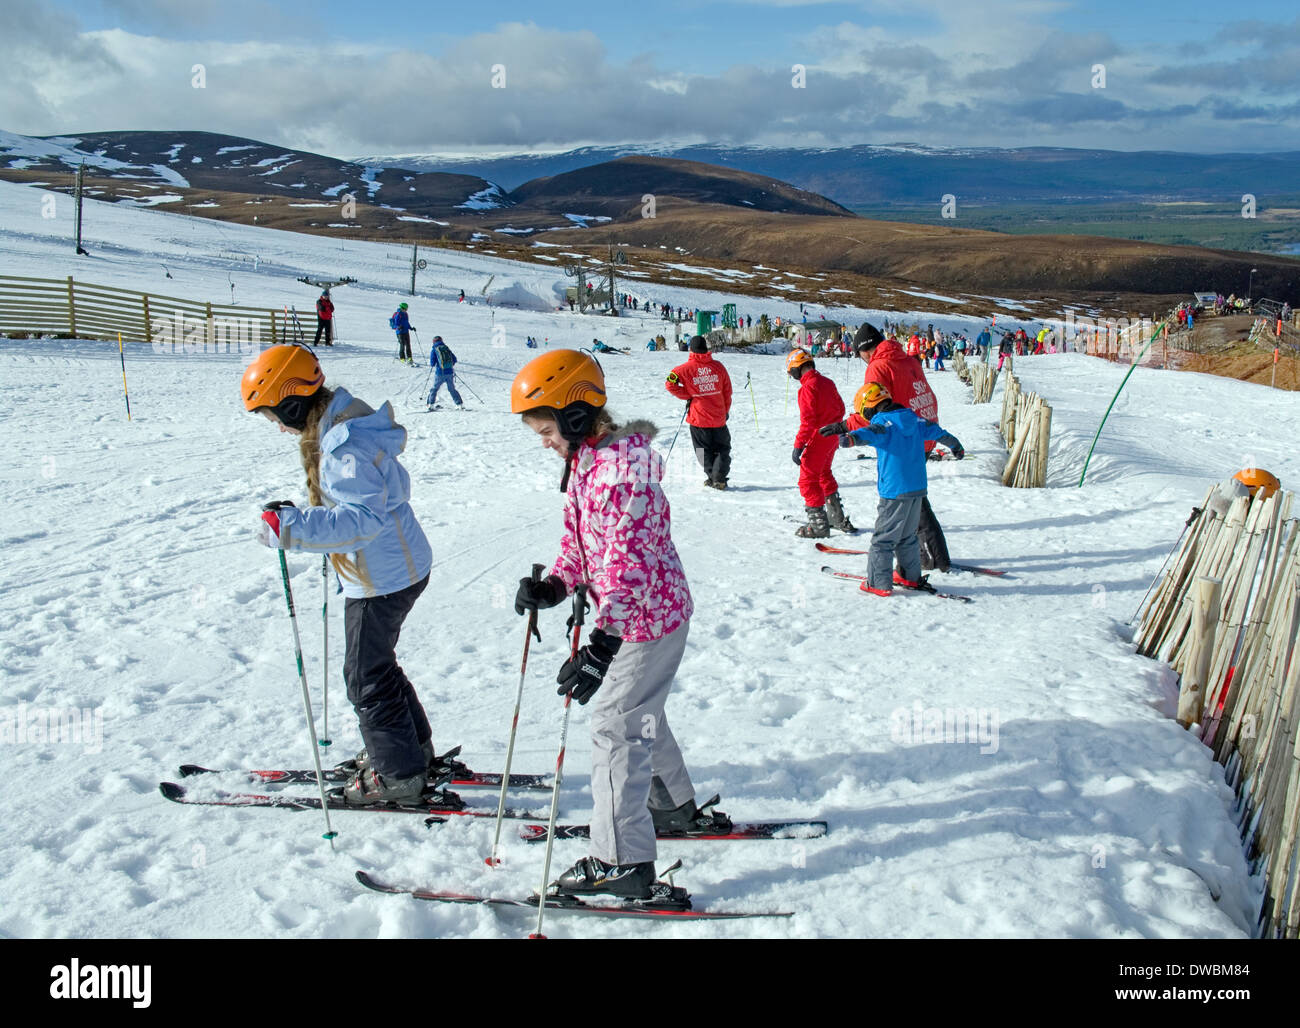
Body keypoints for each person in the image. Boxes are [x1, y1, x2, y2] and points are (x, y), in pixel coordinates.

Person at [510, 350, 713, 902]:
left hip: (644, 619)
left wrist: (602, 644)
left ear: (576, 416)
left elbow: (629, 567)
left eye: (547, 429)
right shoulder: (591, 462)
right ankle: (669, 802)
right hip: (644, 616)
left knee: (615, 727)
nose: (545, 442)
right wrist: (555, 584)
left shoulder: (623, 475)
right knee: (638, 714)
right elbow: (582, 544)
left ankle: (622, 861)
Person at [240, 344, 435, 803]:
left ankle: (400, 775)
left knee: (365, 677)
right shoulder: (339, 427)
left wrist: (291, 527)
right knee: (376, 667)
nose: (278, 426)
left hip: (382, 576)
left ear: (291, 402)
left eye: (275, 416)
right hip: (392, 566)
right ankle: (410, 753)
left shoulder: (342, 445)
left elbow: (361, 521)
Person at [819, 382, 964, 596]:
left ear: (870, 406)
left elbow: (870, 432)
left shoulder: (883, 424)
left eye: (864, 412)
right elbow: (937, 432)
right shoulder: (913, 419)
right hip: (917, 489)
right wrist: (955, 445)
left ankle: (878, 582)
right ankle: (909, 576)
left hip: (894, 491)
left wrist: (851, 439)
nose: (865, 416)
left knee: (883, 539)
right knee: (907, 536)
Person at [854, 322, 951, 572]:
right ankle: (930, 554)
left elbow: (872, 409)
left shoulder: (879, 366)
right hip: (923, 430)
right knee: (915, 498)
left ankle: (929, 557)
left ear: (866, 350)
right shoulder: (906, 359)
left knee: (908, 502)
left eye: (859, 354)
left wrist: (846, 427)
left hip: (906, 437)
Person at [787, 349, 853, 537]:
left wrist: (799, 445)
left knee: (807, 479)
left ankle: (818, 526)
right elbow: (840, 408)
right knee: (824, 473)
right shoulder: (827, 382)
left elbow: (808, 421)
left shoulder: (807, 388)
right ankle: (836, 517)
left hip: (819, 436)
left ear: (796, 369)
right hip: (833, 435)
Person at [666, 335, 733, 490]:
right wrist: (725, 410)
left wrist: (688, 394)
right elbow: (727, 392)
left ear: (691, 349)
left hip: (698, 418)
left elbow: (670, 383)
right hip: (718, 417)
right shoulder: (718, 367)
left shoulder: (683, 369)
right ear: (706, 349)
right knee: (723, 449)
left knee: (702, 450)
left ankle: (713, 477)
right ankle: (718, 478)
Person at [426, 335, 463, 410]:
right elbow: (454, 359)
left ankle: (431, 404)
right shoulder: (446, 348)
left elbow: (432, 363)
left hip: (439, 373)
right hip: (449, 372)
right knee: (452, 389)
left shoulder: (434, 350)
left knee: (434, 389)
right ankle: (459, 404)